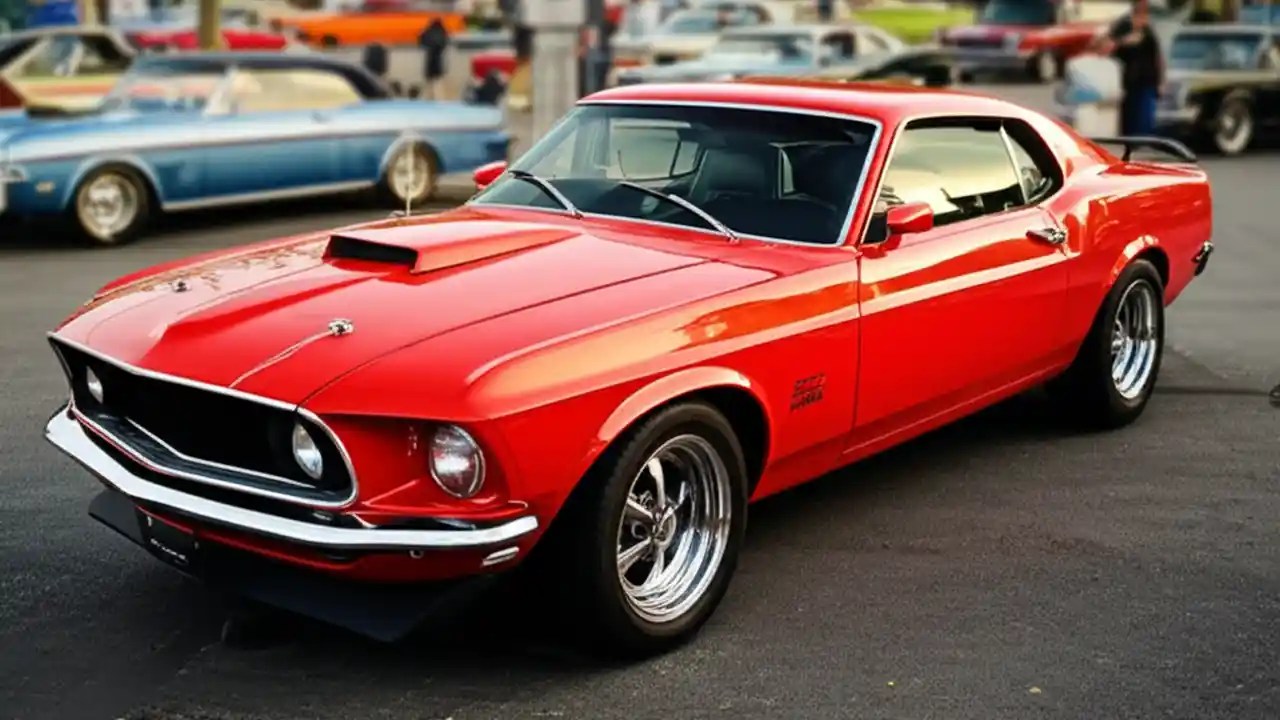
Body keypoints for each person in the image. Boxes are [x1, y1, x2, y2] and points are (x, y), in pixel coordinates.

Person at [1096, 0, 1164, 136]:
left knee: (1145, 116)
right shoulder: (1123, 25)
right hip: (1128, 80)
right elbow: (1103, 47)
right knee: (1130, 115)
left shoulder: (1148, 30)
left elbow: (1157, 56)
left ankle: (1143, 139)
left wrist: (1161, 81)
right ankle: (1131, 140)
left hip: (1148, 79)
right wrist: (1124, 42)